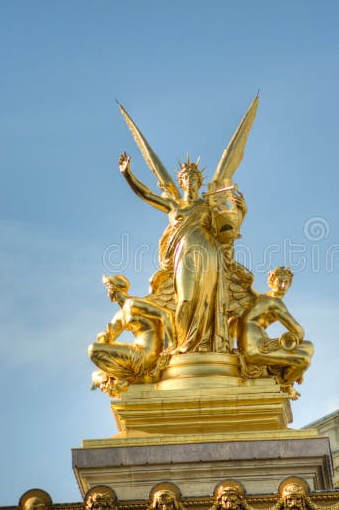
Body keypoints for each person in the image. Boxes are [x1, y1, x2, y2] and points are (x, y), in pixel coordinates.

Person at [119, 154, 246, 353]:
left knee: (207, 300)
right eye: (186, 177)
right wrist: (127, 174)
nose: (190, 180)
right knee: (185, 299)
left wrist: (241, 211)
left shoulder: (208, 206)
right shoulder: (174, 204)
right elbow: (146, 194)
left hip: (208, 252)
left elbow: (227, 230)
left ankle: (205, 344)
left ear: (200, 181)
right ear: (181, 181)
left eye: (194, 177)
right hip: (183, 253)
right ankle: (182, 344)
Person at [88, 274, 175, 396]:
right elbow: (108, 338)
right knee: (97, 372)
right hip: (136, 351)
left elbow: (166, 315)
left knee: (93, 349)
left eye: (108, 289)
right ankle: (129, 378)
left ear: (113, 289)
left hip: (146, 352)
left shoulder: (133, 304)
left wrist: (171, 345)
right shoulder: (119, 315)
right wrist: (104, 337)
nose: (108, 293)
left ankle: (129, 378)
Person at [238, 267, 313, 399]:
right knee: (304, 360)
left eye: (286, 283)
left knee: (308, 346)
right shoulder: (274, 302)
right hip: (254, 348)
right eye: (280, 281)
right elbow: (298, 331)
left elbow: (298, 335)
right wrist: (297, 370)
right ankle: (284, 384)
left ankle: (286, 375)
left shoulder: (260, 298)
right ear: (271, 282)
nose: (283, 286)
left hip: (261, 342)